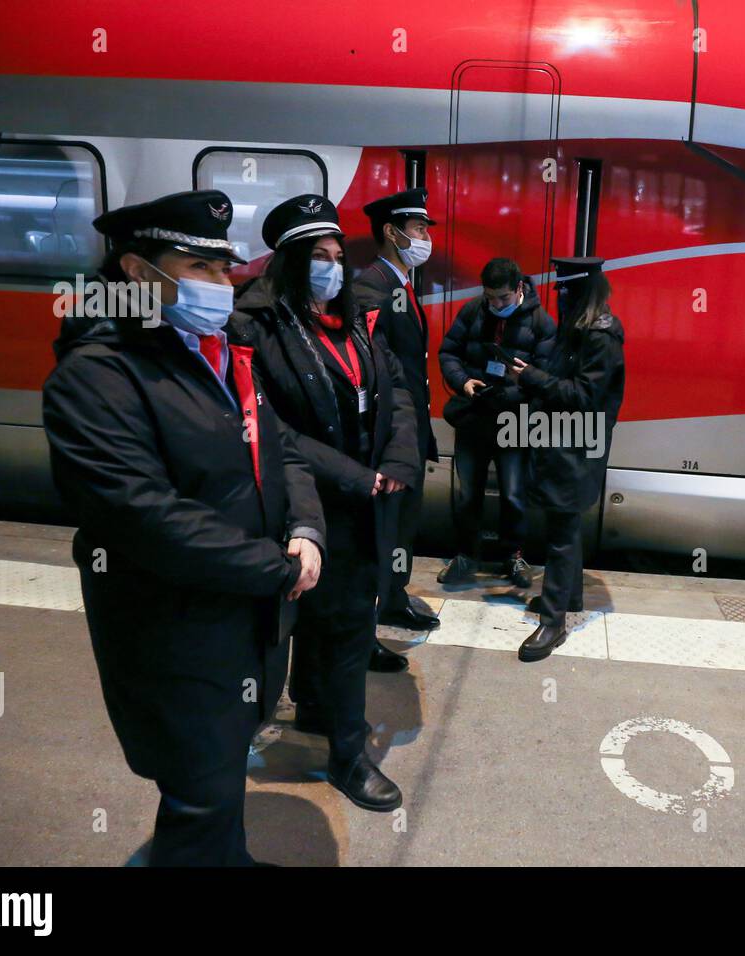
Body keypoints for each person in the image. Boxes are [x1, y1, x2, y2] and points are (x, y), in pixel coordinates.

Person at [41, 190, 326, 865]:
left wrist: (307, 528)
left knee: (220, 778)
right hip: (174, 635)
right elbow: (144, 516)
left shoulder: (223, 349)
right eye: (201, 267)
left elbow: (281, 449)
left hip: (244, 621)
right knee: (201, 787)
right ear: (140, 274)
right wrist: (279, 568)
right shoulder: (99, 376)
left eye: (225, 269)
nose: (222, 285)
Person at [231, 194, 418, 811]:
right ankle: (347, 755)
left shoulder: (359, 316)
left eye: (338, 255)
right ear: (289, 261)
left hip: (367, 496)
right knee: (342, 628)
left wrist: (395, 464)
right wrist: (354, 477)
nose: (333, 268)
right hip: (308, 504)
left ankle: (316, 710)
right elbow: (273, 429)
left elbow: (397, 395)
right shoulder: (257, 327)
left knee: (336, 623)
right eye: (319, 256)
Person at [511, 257, 625, 663]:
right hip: (566, 443)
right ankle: (569, 597)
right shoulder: (581, 327)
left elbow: (582, 398)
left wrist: (532, 379)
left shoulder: (599, 336)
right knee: (566, 522)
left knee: (560, 529)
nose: (558, 297)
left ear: (578, 293)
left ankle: (554, 621)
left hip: (579, 445)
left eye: (563, 290)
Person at [352, 187, 441, 632]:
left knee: (404, 523)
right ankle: (377, 605)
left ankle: (394, 596)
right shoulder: (372, 287)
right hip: (393, 435)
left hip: (410, 429)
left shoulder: (399, 283)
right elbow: (375, 372)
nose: (426, 237)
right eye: (419, 228)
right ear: (391, 232)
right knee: (387, 527)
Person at [437, 257, 555, 586]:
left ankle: (514, 557)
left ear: (519, 288)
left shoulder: (542, 323)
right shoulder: (473, 311)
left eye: (502, 297)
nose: (495, 304)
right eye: (490, 297)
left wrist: (516, 391)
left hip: (514, 422)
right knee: (467, 494)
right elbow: (448, 352)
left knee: (515, 494)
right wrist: (463, 382)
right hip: (474, 415)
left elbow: (546, 380)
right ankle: (465, 555)